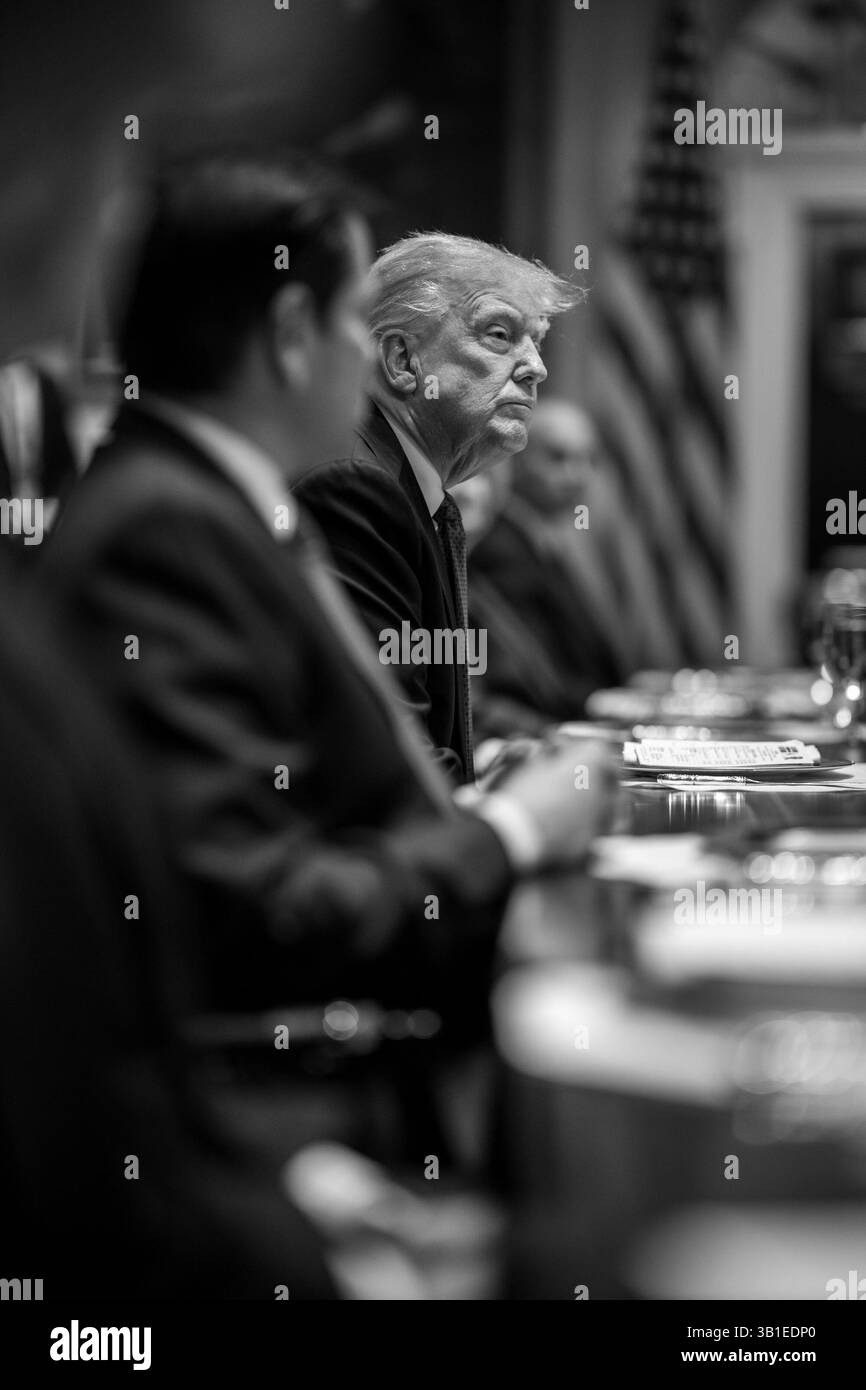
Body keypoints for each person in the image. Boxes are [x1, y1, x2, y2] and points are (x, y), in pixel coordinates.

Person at [38, 157, 616, 1040]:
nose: (366, 364)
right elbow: (257, 912)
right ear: (294, 330)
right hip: (270, 1084)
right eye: (357, 318)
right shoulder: (166, 531)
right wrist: (514, 833)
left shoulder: (213, 502)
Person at [292, 233, 583, 782]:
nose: (536, 367)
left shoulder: (412, 487)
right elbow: (390, 755)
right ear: (403, 360)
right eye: (500, 335)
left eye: (537, 341)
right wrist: (520, 825)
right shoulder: (354, 487)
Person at [469, 398, 632, 727]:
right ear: (518, 457)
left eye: (589, 459)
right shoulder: (500, 549)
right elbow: (533, 680)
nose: (578, 475)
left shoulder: (544, 541)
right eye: (558, 457)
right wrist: (610, 705)